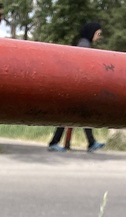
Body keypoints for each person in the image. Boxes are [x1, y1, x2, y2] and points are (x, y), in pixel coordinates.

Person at [47, 22, 106, 152]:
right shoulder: (85, 45)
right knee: (76, 115)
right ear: (92, 32)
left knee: (79, 115)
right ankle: (55, 143)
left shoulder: (83, 43)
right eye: (98, 34)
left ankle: (90, 142)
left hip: (75, 87)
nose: (99, 37)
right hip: (76, 88)